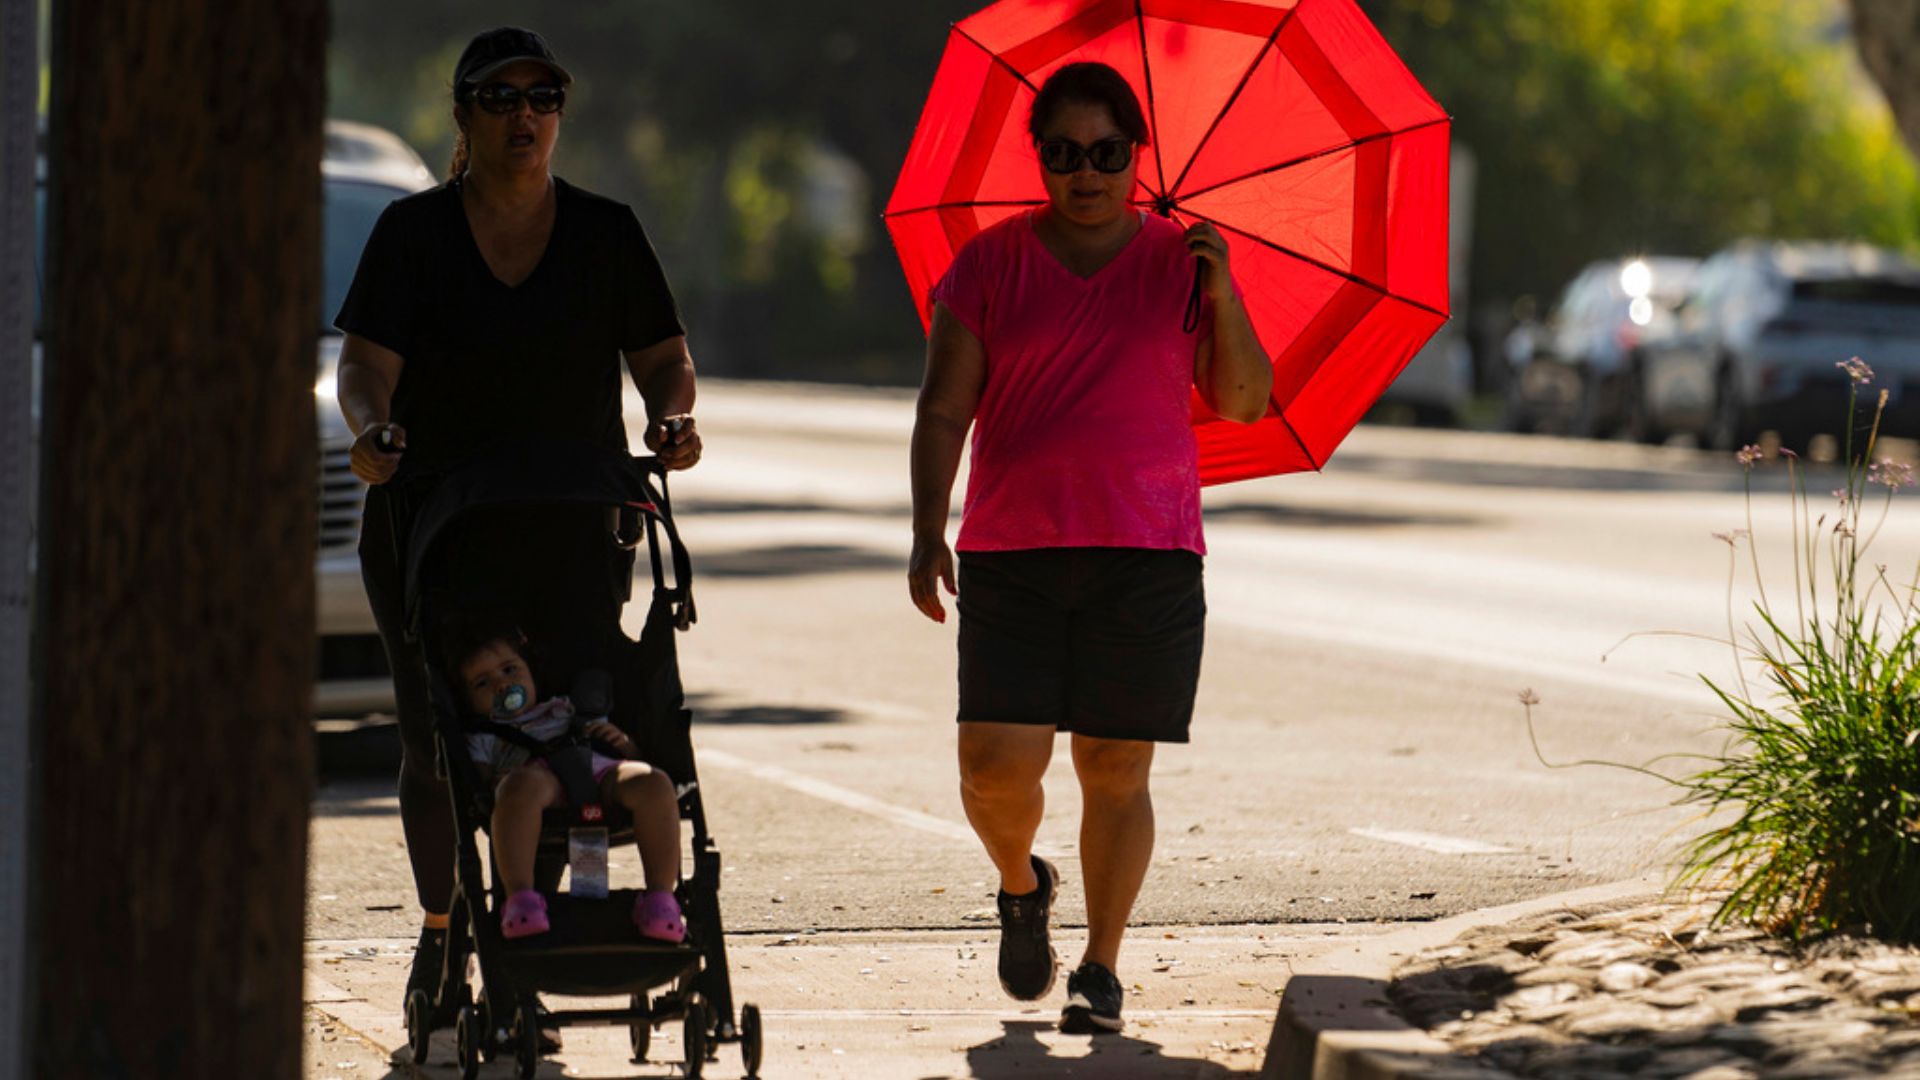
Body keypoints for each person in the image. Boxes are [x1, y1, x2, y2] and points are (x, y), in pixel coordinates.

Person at [332, 25, 703, 1020]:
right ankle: (445, 929)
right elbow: (363, 368)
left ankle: (533, 929)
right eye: (500, 98)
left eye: (544, 98)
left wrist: (672, 416)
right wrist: (372, 432)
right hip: (433, 532)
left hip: (570, 528)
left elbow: (665, 357)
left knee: (559, 725)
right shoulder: (413, 235)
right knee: (436, 738)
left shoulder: (606, 231)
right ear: (463, 116)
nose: (525, 116)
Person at [906, 61, 1273, 1035]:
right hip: (1011, 551)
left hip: (1146, 552)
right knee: (993, 766)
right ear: (1041, 159)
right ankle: (1022, 886)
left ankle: (1101, 968)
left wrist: (1224, 291)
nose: (1085, 172)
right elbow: (944, 409)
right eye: (1063, 153)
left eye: (1106, 153)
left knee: (1116, 767)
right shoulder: (988, 266)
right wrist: (923, 530)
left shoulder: (1180, 265)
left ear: (1136, 155)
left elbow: (1241, 400)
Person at [445, 617, 684, 943]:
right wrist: (497, 782)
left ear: (531, 672)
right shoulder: (484, 735)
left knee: (654, 782)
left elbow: (629, 754)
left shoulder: (569, 707)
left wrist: (624, 743)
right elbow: (480, 783)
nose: (502, 685)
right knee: (519, 787)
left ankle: (660, 900)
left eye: (510, 670)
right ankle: (521, 900)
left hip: (600, 774)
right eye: (482, 684)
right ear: (469, 702)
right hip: (540, 786)